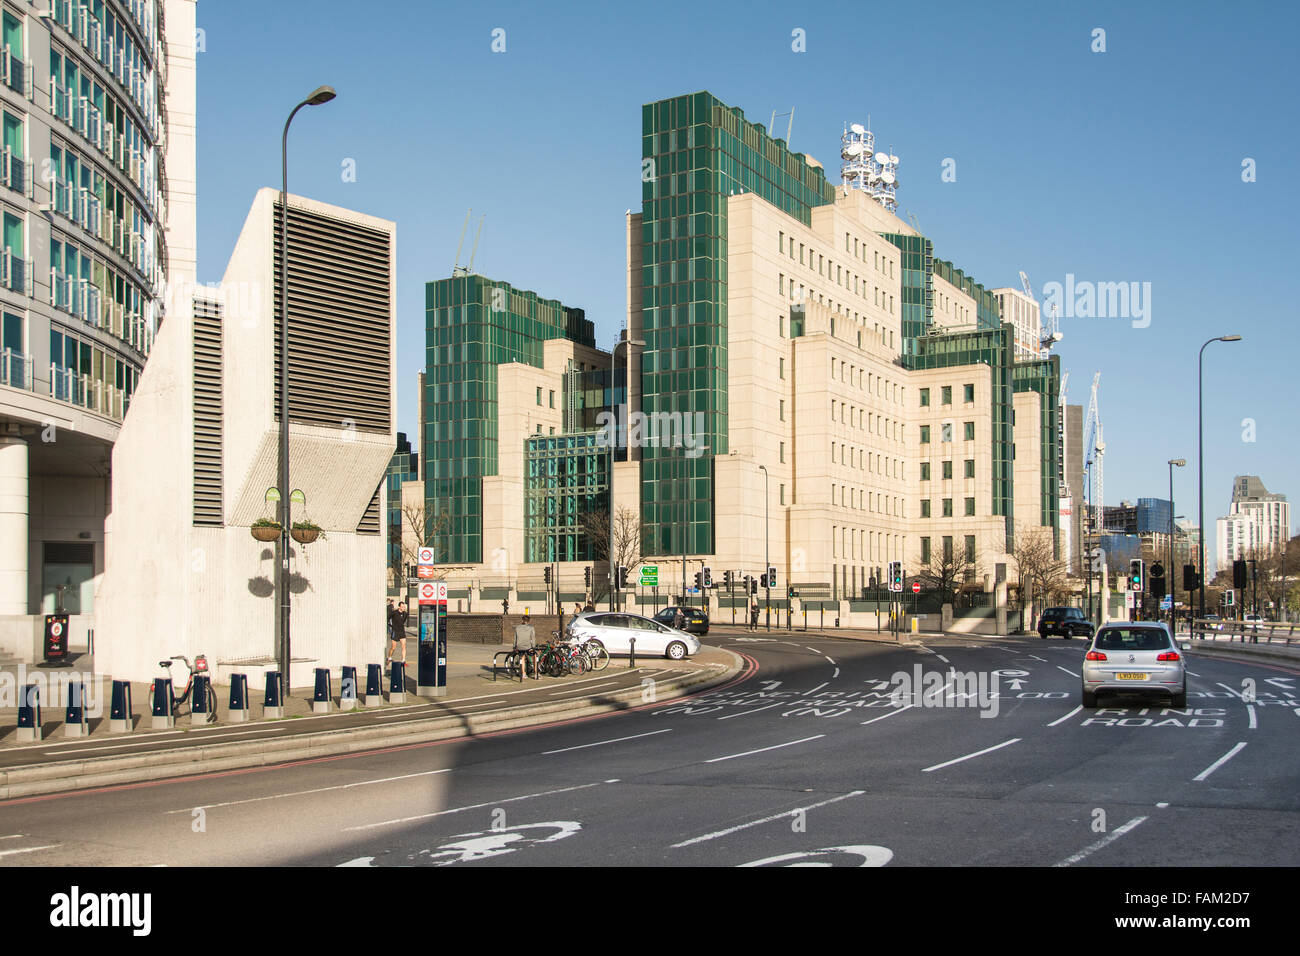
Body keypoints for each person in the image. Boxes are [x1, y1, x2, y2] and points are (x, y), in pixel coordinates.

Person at [387, 601, 409, 666]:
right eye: (402, 607)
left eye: (404, 606)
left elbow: (403, 621)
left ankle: (403, 660)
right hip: (395, 631)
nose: (403, 608)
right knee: (393, 647)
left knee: (404, 645)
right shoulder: (394, 613)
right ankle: (389, 658)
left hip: (402, 631)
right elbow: (388, 618)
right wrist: (390, 625)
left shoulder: (405, 614)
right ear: (399, 607)